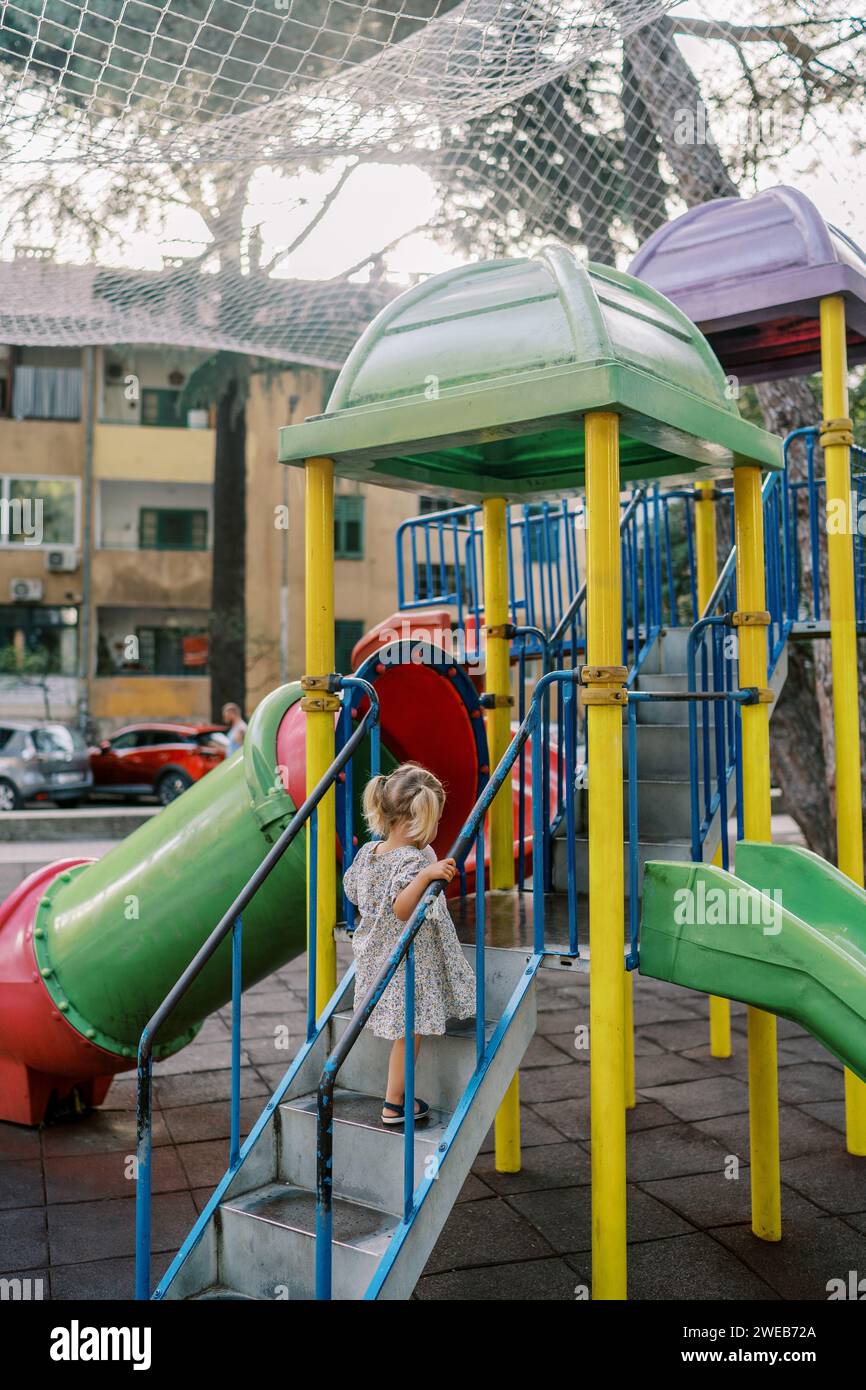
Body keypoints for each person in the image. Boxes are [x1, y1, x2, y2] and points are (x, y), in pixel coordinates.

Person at [343, 763, 476, 1126]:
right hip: (405, 964)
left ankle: (396, 1098)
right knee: (409, 1033)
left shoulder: (370, 852)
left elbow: (352, 889)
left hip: (376, 957)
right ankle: (395, 1103)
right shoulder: (413, 861)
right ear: (422, 819)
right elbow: (403, 909)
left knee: (405, 1030)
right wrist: (426, 876)